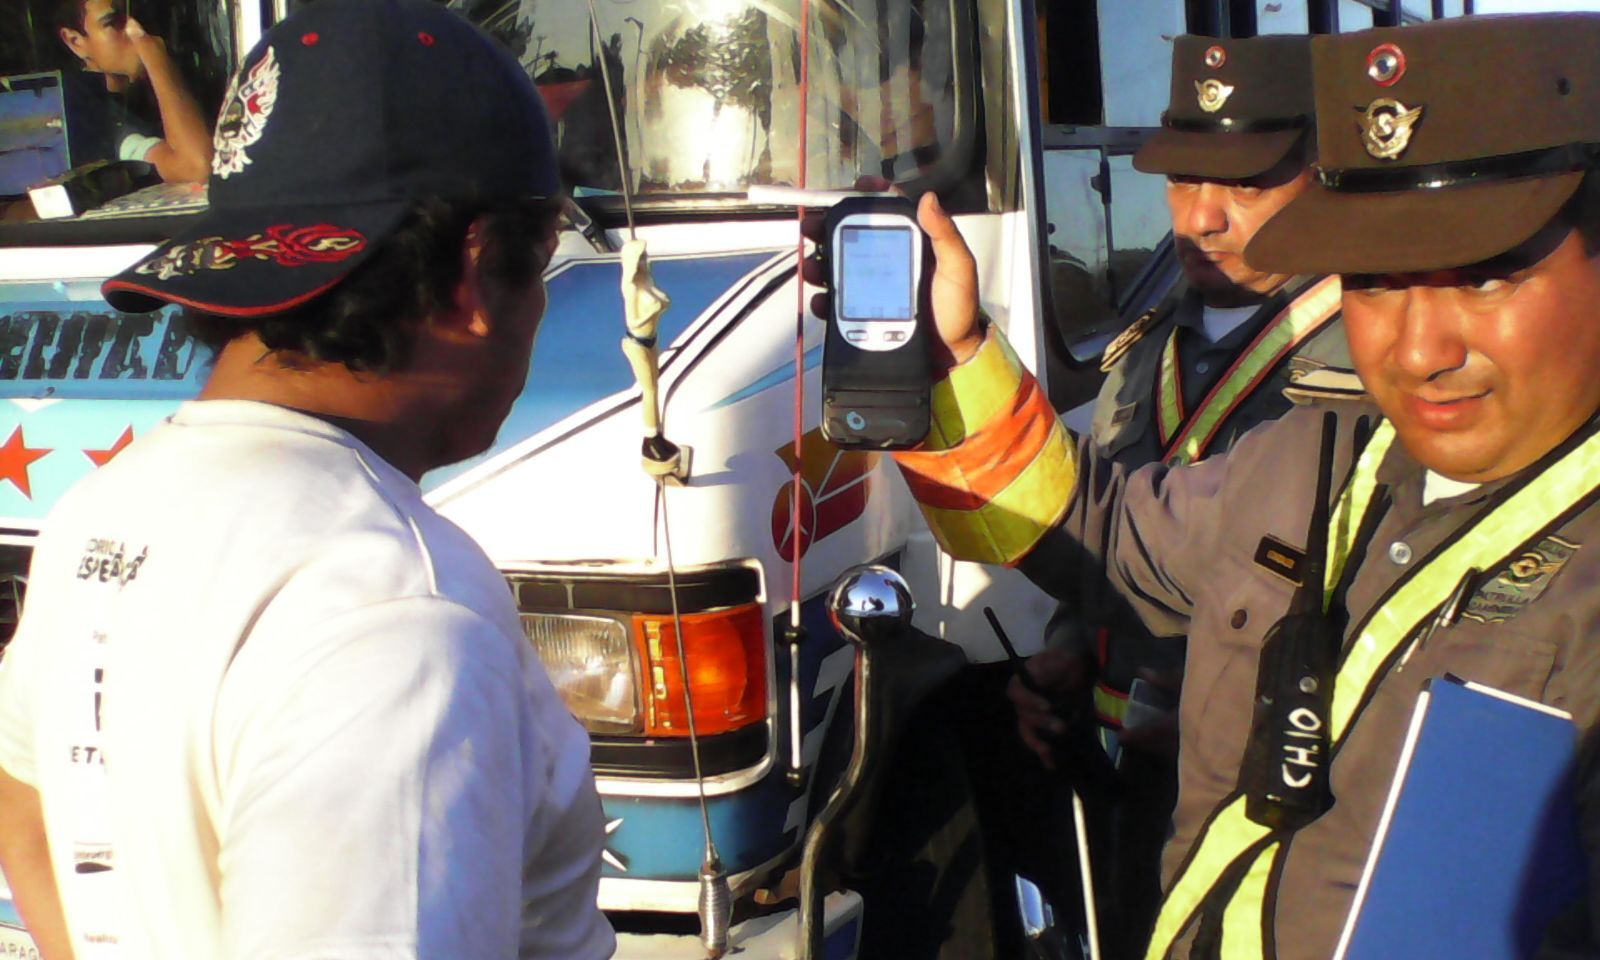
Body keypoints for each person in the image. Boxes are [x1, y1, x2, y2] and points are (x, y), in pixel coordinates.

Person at [809, 13, 1600, 959]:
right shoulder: (1310, 459)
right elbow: (1101, 532)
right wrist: (954, 354)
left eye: (1484, 279)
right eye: (1379, 281)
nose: (1421, 349)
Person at [0, 2, 615, 958]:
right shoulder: (395, 608)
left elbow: (25, 792)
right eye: (537, 265)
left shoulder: (101, 510)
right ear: (476, 272)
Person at [1011, 34, 1348, 959]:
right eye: (1183, 180)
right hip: (1123, 784)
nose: (1200, 217)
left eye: (1243, 185)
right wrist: (1069, 648)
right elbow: (1118, 522)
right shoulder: (1147, 341)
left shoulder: (1369, 362)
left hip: (1271, 799)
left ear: (1322, 173)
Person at [55, 0, 213, 182]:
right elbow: (196, 166)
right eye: (113, 22)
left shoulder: (143, 97)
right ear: (76, 42)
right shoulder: (89, 113)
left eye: (140, 15)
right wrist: (153, 55)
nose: (136, 29)